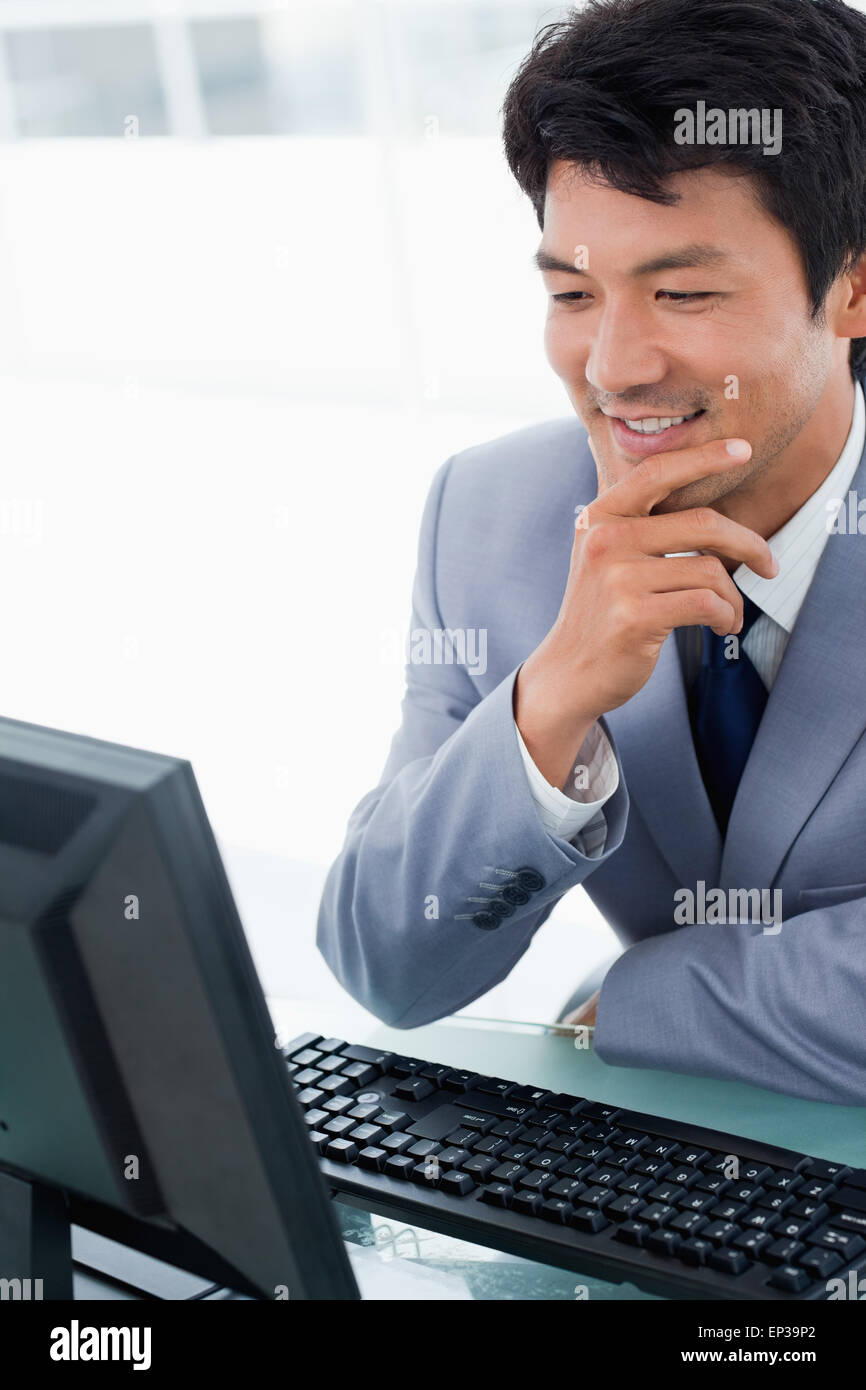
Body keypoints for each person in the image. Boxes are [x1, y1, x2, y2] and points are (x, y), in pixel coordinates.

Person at [317, 0, 866, 1104]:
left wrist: (634, 999)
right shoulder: (491, 511)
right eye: (570, 293)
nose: (611, 366)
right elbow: (387, 959)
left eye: (682, 293)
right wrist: (548, 701)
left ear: (849, 286)